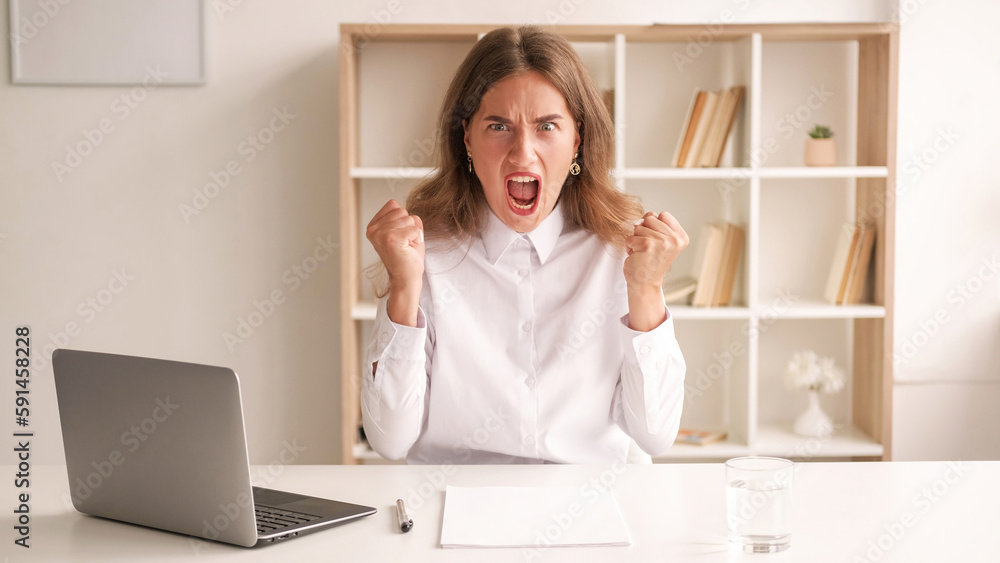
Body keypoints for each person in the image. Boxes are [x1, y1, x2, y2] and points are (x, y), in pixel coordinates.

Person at [362, 25, 688, 464]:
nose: (522, 153)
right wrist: (405, 285)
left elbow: (656, 436)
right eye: (498, 126)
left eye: (547, 126)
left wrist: (646, 289)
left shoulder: (622, 253)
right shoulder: (422, 255)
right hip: (456, 503)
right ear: (467, 139)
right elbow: (389, 440)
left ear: (578, 140)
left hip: (591, 505)